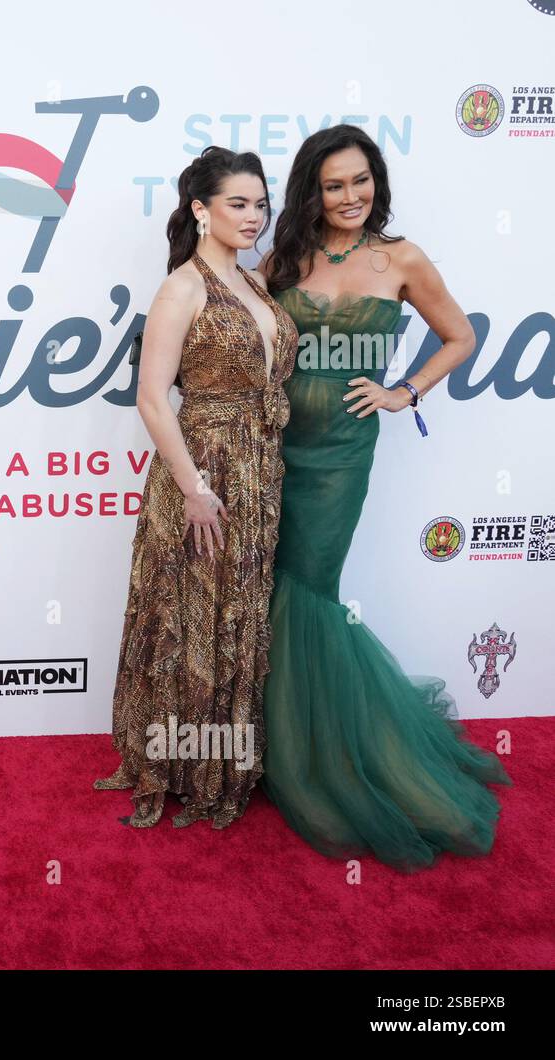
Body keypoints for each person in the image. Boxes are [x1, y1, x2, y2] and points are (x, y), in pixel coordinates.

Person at [260, 124, 511, 872]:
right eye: (333, 184)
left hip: (340, 449)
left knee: (308, 587)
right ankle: (278, 746)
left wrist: (404, 390)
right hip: (267, 448)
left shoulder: (401, 259)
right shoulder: (287, 258)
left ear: (378, 182)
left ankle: (323, 759)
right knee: (265, 586)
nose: (349, 196)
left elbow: (459, 336)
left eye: (360, 181)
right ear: (313, 188)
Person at [95, 146, 298, 828]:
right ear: (201, 210)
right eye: (237, 203)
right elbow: (153, 397)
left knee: (237, 617)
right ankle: (178, 763)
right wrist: (192, 489)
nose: (253, 215)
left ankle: (227, 761)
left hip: (260, 470)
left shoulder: (256, 282)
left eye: (260, 204)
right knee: (189, 618)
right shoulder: (182, 286)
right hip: (204, 471)